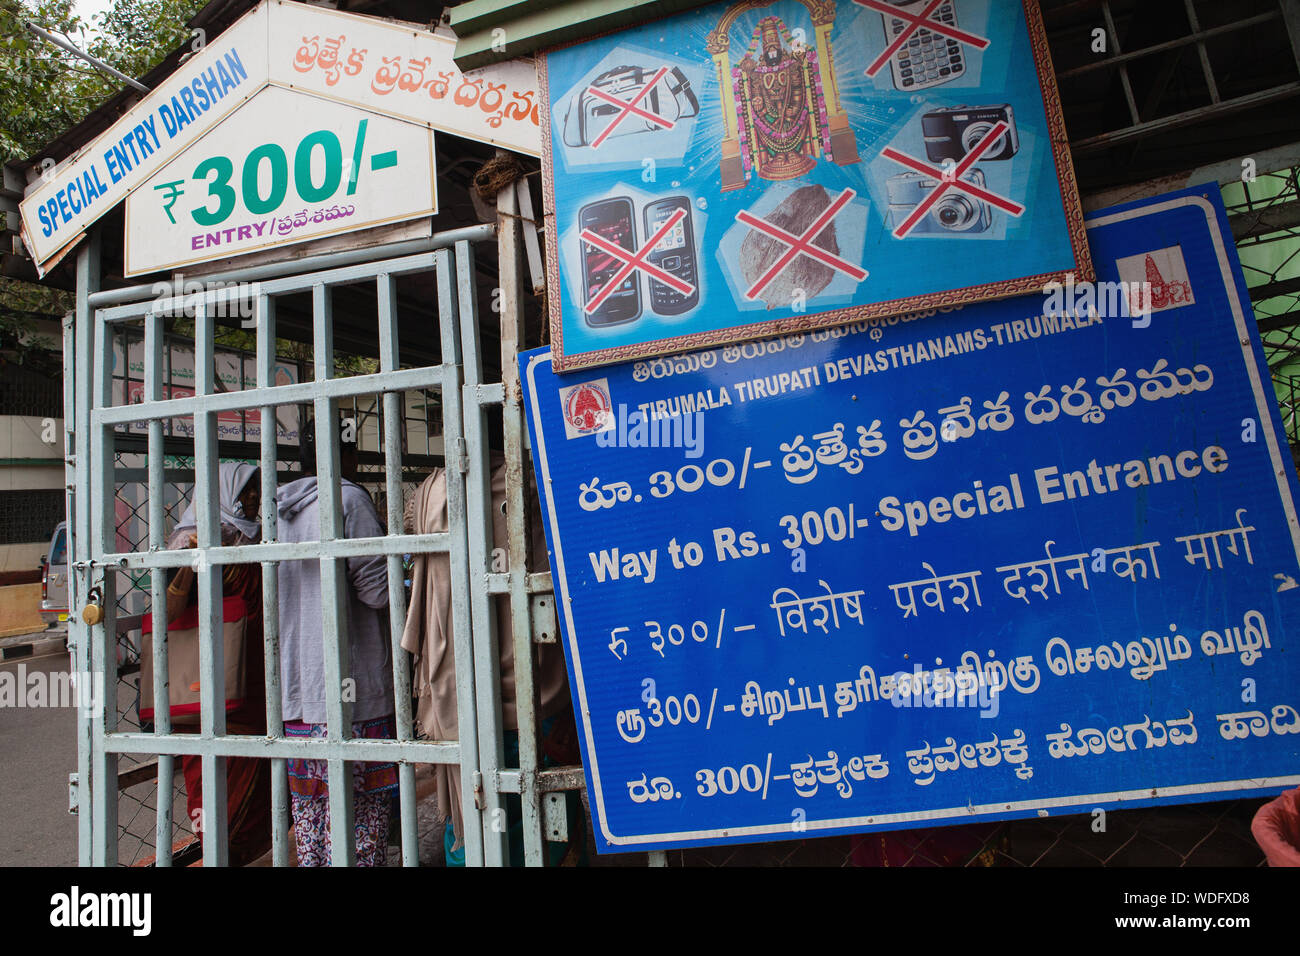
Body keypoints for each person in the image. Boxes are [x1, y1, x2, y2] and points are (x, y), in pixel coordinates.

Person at [402, 459, 582, 866]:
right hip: (538, 697)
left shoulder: (429, 494)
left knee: (475, 830)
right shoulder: (540, 484)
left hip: (460, 701)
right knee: (547, 830)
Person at [276, 421, 396, 866]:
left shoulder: (280, 509)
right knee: (360, 829)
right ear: (349, 456)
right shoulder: (350, 499)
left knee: (311, 827)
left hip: (298, 701)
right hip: (355, 697)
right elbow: (378, 592)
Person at [166, 461, 272, 867]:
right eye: (244, 490)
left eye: (256, 489)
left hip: (255, 677)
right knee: (213, 788)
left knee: (260, 776)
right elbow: (170, 611)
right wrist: (192, 563)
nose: (253, 498)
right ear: (222, 494)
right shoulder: (186, 540)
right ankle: (217, 854)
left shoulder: (261, 538)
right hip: (208, 681)